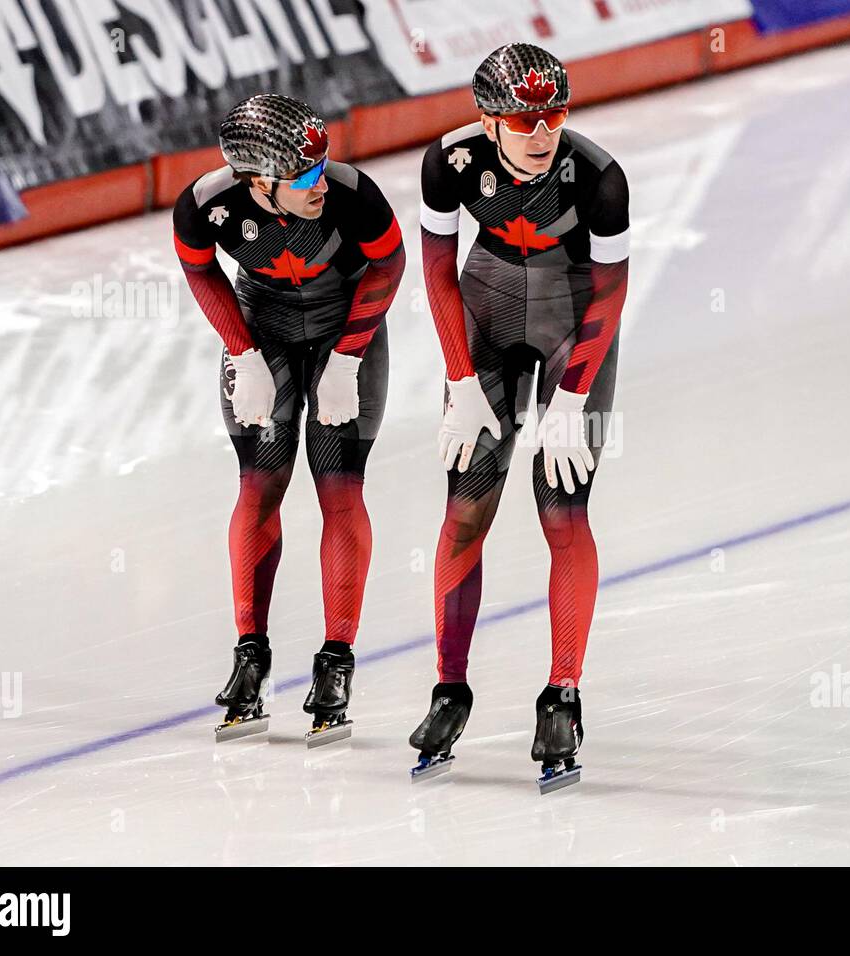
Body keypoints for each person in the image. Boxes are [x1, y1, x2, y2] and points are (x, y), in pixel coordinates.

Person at [406, 43, 630, 790]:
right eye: (523, 119)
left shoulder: (600, 177)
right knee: (467, 509)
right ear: (486, 120)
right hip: (488, 310)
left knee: (562, 513)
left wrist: (572, 399)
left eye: (554, 116)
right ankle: (449, 687)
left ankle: (562, 694)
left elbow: (609, 292)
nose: (541, 134)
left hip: (575, 321)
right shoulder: (450, 163)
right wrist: (460, 379)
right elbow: (438, 273)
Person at [172, 94, 405, 745]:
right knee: (260, 482)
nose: (319, 184)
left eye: (322, 165)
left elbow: (389, 263)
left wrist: (349, 359)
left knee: (338, 486)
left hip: (344, 328)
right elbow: (200, 272)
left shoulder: (355, 195)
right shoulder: (204, 205)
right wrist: (243, 353)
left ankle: (336, 663)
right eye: (302, 176)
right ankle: (251, 657)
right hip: (263, 327)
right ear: (256, 182)